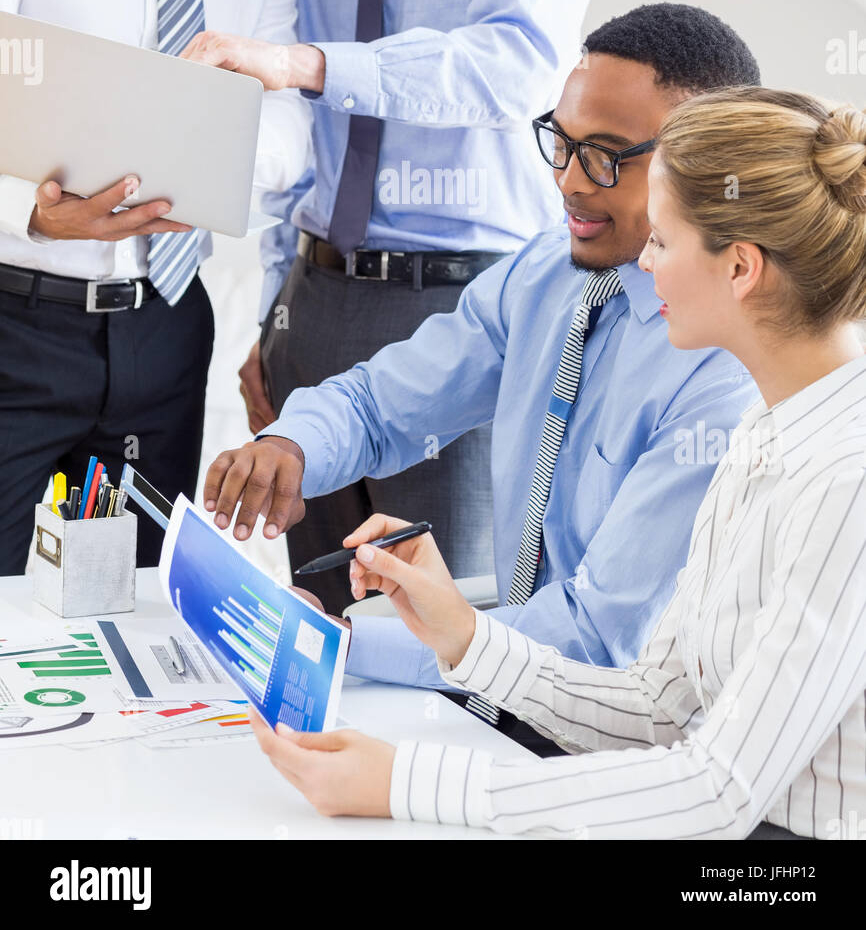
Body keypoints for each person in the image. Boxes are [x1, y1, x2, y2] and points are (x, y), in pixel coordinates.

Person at [249, 85, 866, 840]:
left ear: (739, 268)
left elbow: (718, 789)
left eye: (663, 242)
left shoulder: (846, 478)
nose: (644, 261)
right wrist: (464, 639)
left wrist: (409, 781)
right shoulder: (765, 436)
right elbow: (656, 708)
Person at [180, 0, 600, 612]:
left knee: (444, 635)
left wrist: (304, 63)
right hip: (318, 304)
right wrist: (279, 309)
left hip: (462, 309)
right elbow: (314, 141)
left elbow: (510, 70)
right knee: (319, 623)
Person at [204, 5, 760, 743]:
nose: (568, 181)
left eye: (605, 155)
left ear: (705, 164)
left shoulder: (724, 371)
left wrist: (344, 641)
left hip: (626, 745)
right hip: (508, 697)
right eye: (560, 143)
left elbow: (594, 637)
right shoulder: (543, 274)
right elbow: (384, 404)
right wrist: (292, 446)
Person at [0, 0, 309, 572]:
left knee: (132, 598)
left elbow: (287, 131)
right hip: (18, 318)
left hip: (166, 324)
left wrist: (202, 174)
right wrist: (32, 211)